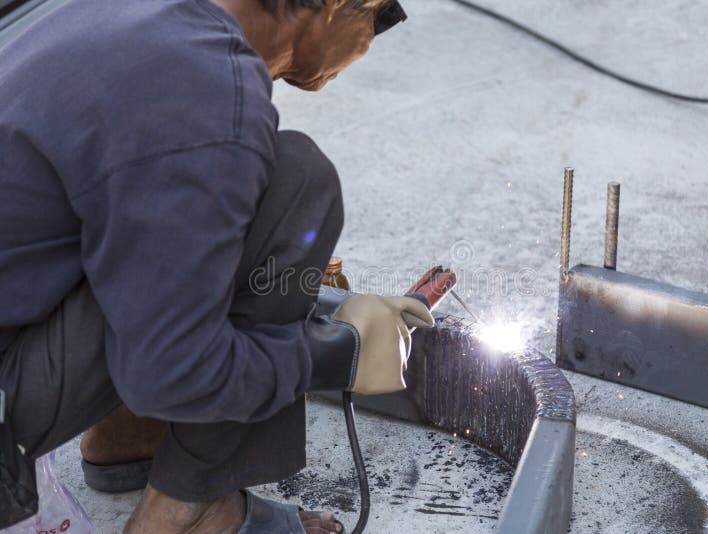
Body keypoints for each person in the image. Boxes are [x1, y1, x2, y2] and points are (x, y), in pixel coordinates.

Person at [0, 0, 433, 532]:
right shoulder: (212, 91)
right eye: (379, 22)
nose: (369, 45)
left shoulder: (137, 21)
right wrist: (328, 354)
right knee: (298, 183)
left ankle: (128, 441)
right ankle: (190, 511)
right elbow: (170, 373)